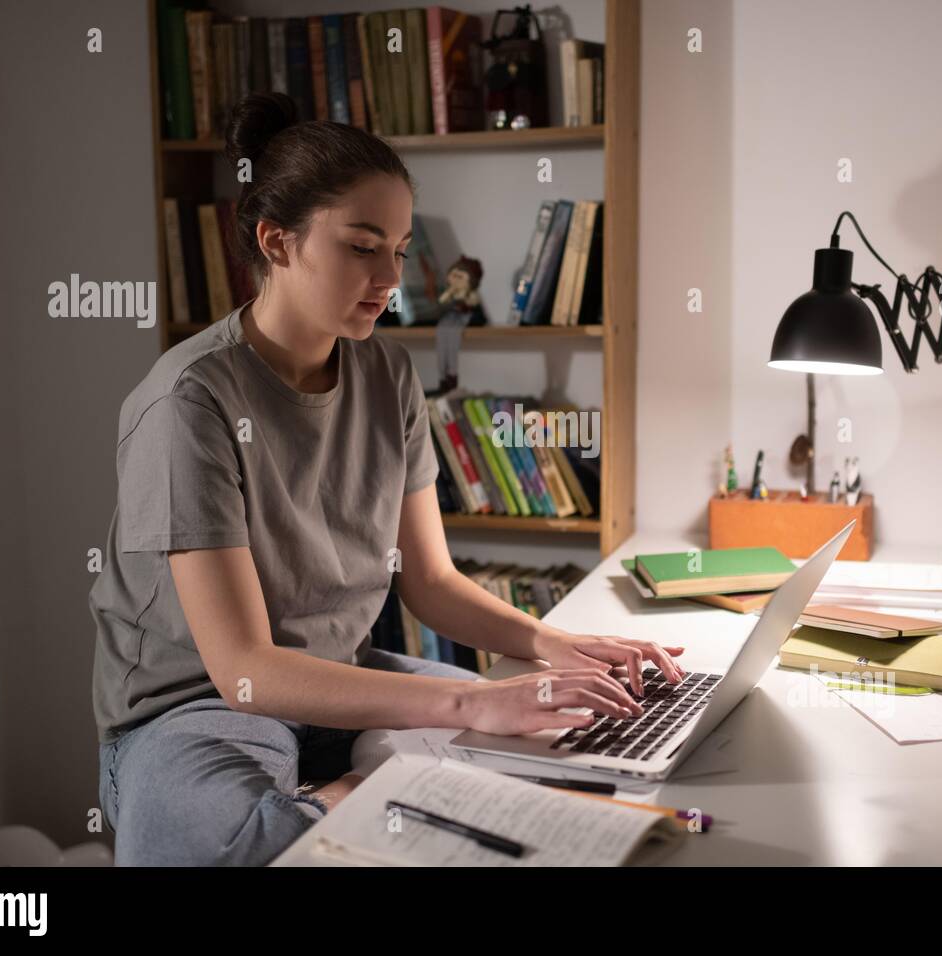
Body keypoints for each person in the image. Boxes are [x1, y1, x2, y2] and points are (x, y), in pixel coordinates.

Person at [89, 93, 685, 866]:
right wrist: (471, 699)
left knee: (564, 754)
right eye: (363, 247)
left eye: (399, 250)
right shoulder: (189, 401)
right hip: (202, 705)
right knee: (237, 848)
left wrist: (556, 643)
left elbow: (430, 582)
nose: (389, 278)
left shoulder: (388, 372)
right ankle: (346, 794)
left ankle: (350, 792)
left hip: (345, 677)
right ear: (277, 241)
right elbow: (244, 668)